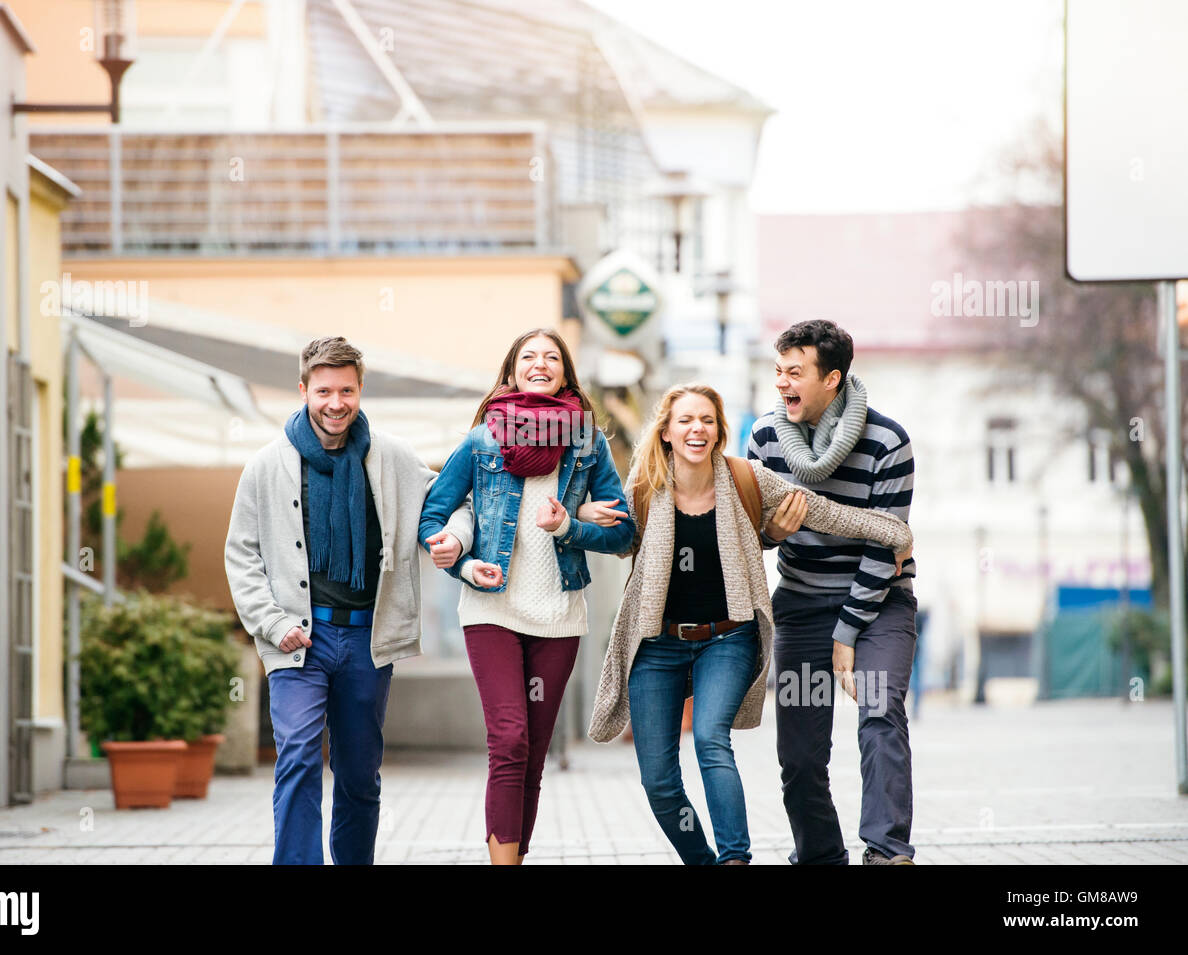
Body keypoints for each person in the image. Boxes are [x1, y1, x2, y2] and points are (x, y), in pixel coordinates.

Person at [587, 384, 913, 865]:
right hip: (657, 644)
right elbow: (614, 538)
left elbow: (824, 512)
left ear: (719, 430)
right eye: (685, 420)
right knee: (658, 779)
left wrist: (894, 531)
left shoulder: (747, 479)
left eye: (707, 420)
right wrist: (576, 519)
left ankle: (735, 858)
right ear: (667, 432)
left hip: (727, 637)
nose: (697, 428)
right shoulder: (643, 484)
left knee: (711, 739)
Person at [224, 337, 474, 865]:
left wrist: (456, 536)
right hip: (297, 639)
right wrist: (271, 623)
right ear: (303, 390)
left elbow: (454, 504)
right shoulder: (267, 467)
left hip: (367, 638)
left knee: (360, 771)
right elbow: (242, 556)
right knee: (296, 757)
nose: (335, 402)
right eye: (323, 391)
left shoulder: (394, 458)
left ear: (360, 390)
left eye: (346, 390)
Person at [418, 327, 634, 865]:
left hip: (559, 615)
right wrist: (459, 560)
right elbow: (433, 515)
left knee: (533, 754)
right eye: (529, 357)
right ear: (511, 374)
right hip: (491, 612)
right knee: (510, 741)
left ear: (565, 373)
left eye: (552, 358)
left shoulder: (587, 442)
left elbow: (623, 533)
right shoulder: (482, 440)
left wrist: (569, 527)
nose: (540, 364)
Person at [748, 318, 919, 865]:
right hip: (800, 602)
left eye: (794, 372)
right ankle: (820, 856)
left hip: (880, 601)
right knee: (798, 754)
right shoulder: (765, 440)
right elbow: (750, 537)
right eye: (777, 371)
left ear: (833, 379)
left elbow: (885, 544)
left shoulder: (888, 443)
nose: (781, 383)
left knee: (879, 710)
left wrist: (846, 635)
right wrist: (773, 531)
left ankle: (887, 851)